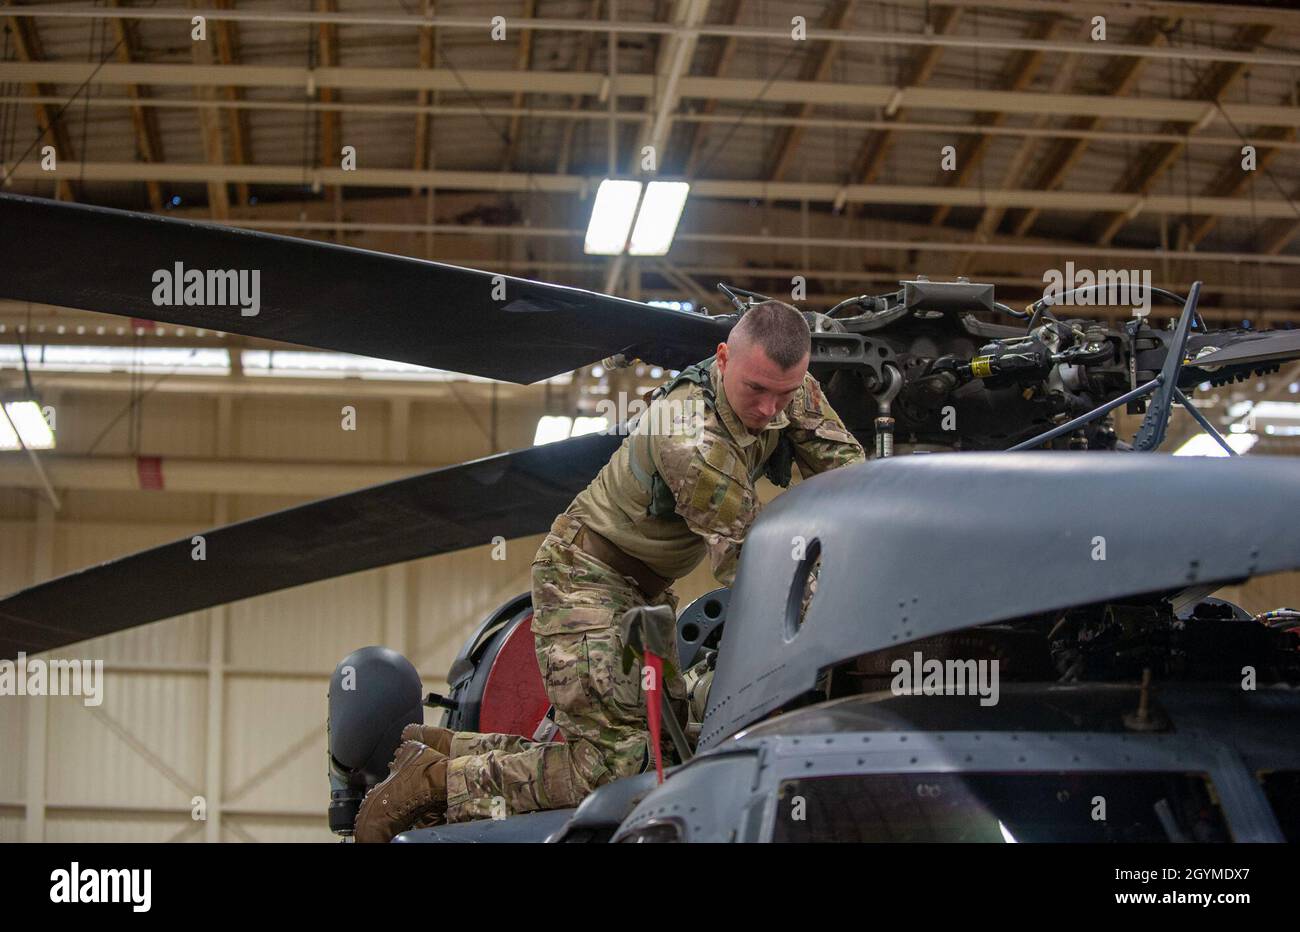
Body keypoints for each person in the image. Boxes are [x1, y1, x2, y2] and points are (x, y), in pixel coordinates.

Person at [353, 300, 865, 842]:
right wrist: (847, 616)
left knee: (661, 752)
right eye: (756, 390)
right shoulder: (689, 436)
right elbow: (752, 562)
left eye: (784, 394)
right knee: (613, 767)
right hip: (584, 577)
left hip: (641, 594)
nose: (768, 410)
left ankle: (441, 751)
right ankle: (435, 783)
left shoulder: (790, 390)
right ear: (722, 359)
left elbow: (851, 478)